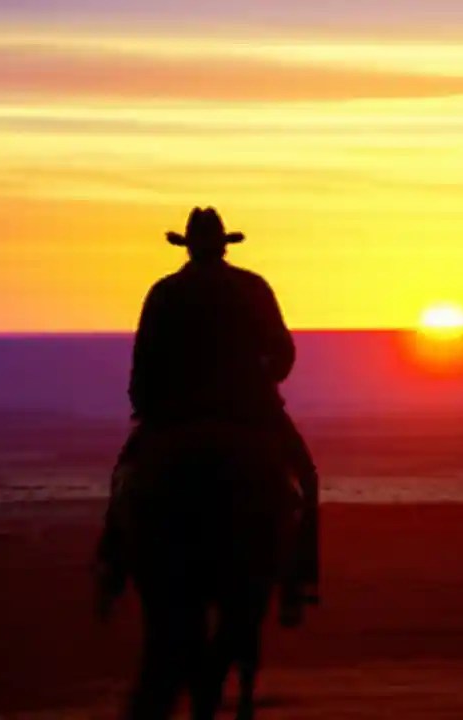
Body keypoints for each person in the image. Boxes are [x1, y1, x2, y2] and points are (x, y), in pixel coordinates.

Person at [96, 206, 319, 626]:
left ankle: (113, 567)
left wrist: (147, 407)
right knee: (304, 476)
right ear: (223, 246)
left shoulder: (163, 292)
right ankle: (298, 582)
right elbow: (284, 353)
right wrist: (264, 380)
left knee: (125, 477)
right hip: (250, 409)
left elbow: (143, 363)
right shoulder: (253, 288)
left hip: (175, 412)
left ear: (188, 247)